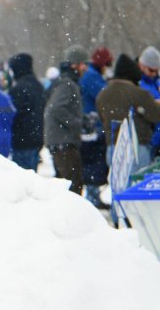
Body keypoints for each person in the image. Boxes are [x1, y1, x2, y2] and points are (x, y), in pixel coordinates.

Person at [97, 53, 160, 171]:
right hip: (136, 148)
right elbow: (157, 115)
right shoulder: (138, 93)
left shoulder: (102, 95)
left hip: (112, 148)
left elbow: (102, 119)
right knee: (137, 185)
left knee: (119, 188)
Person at [44, 45, 89, 194]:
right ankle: (71, 217)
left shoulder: (65, 81)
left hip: (60, 141)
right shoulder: (67, 84)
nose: (85, 68)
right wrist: (77, 124)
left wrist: (84, 119)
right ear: (74, 65)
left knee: (67, 185)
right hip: (63, 142)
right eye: (83, 64)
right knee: (72, 187)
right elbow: (55, 108)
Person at [79, 46, 113, 208]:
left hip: (92, 124)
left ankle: (94, 196)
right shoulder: (92, 77)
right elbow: (104, 95)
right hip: (93, 125)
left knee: (94, 162)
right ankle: (93, 198)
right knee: (94, 162)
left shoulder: (91, 75)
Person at [7, 53, 45, 171]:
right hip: (37, 137)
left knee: (22, 178)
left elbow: (12, 114)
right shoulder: (38, 85)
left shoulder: (18, 88)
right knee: (31, 176)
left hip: (21, 139)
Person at [138, 46, 160, 158]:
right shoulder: (138, 83)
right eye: (151, 70)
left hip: (157, 135)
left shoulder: (157, 82)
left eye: (157, 70)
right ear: (141, 66)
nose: (154, 73)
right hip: (146, 137)